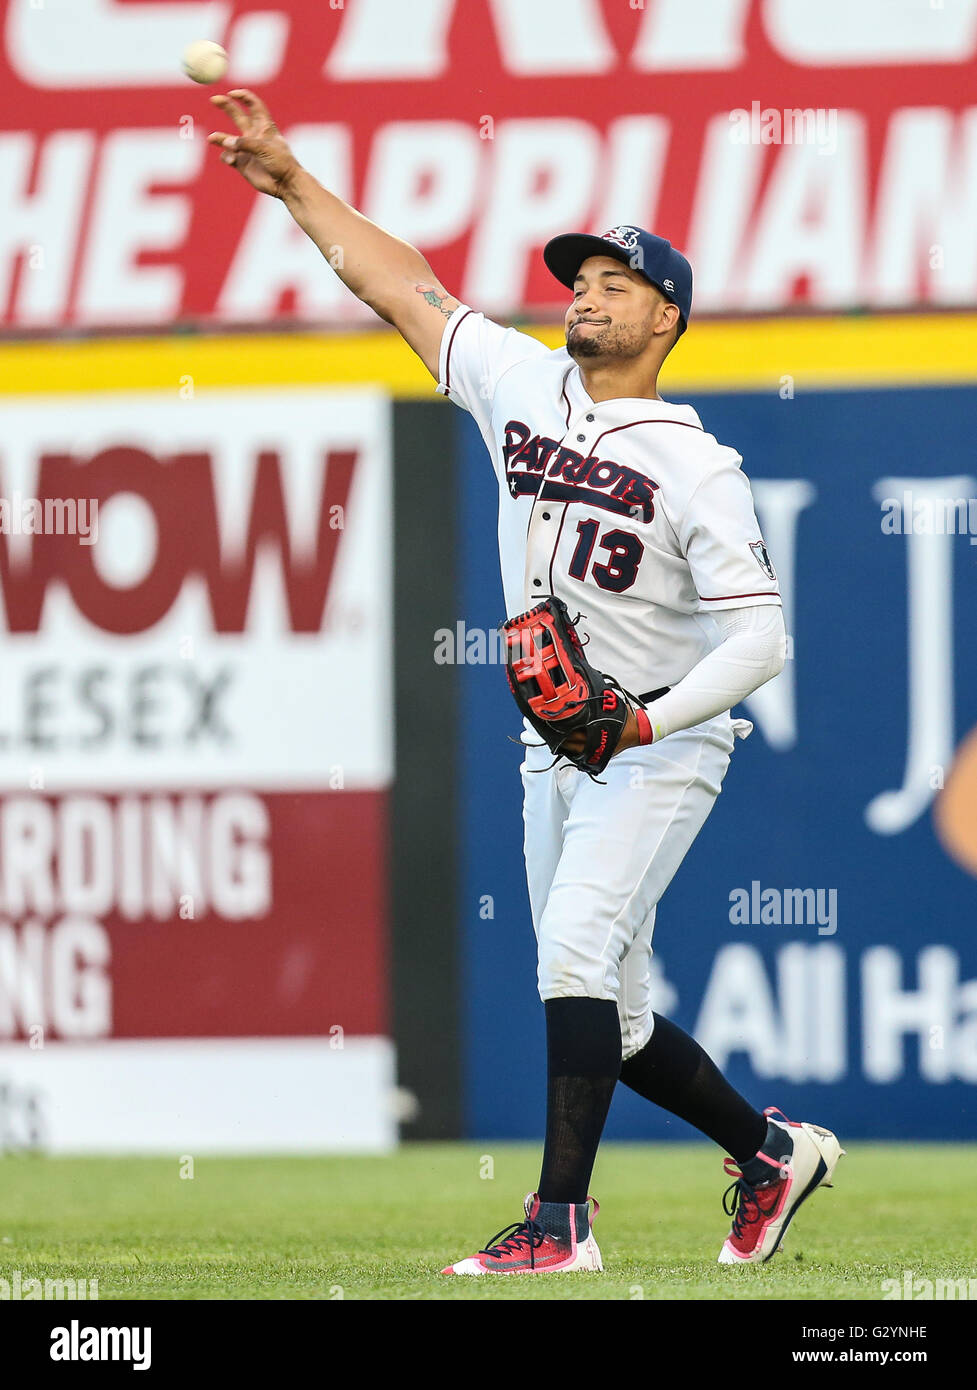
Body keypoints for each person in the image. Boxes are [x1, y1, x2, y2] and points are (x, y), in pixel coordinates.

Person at [209, 90, 843, 1277]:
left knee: (567, 953)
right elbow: (403, 285)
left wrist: (643, 717)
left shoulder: (699, 467)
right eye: (579, 275)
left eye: (614, 280)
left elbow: (760, 644)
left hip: (656, 745)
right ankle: (768, 1153)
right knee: (622, 1009)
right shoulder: (519, 381)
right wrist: (291, 181)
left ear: (666, 315)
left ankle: (560, 1224)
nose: (585, 291)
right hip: (554, 745)